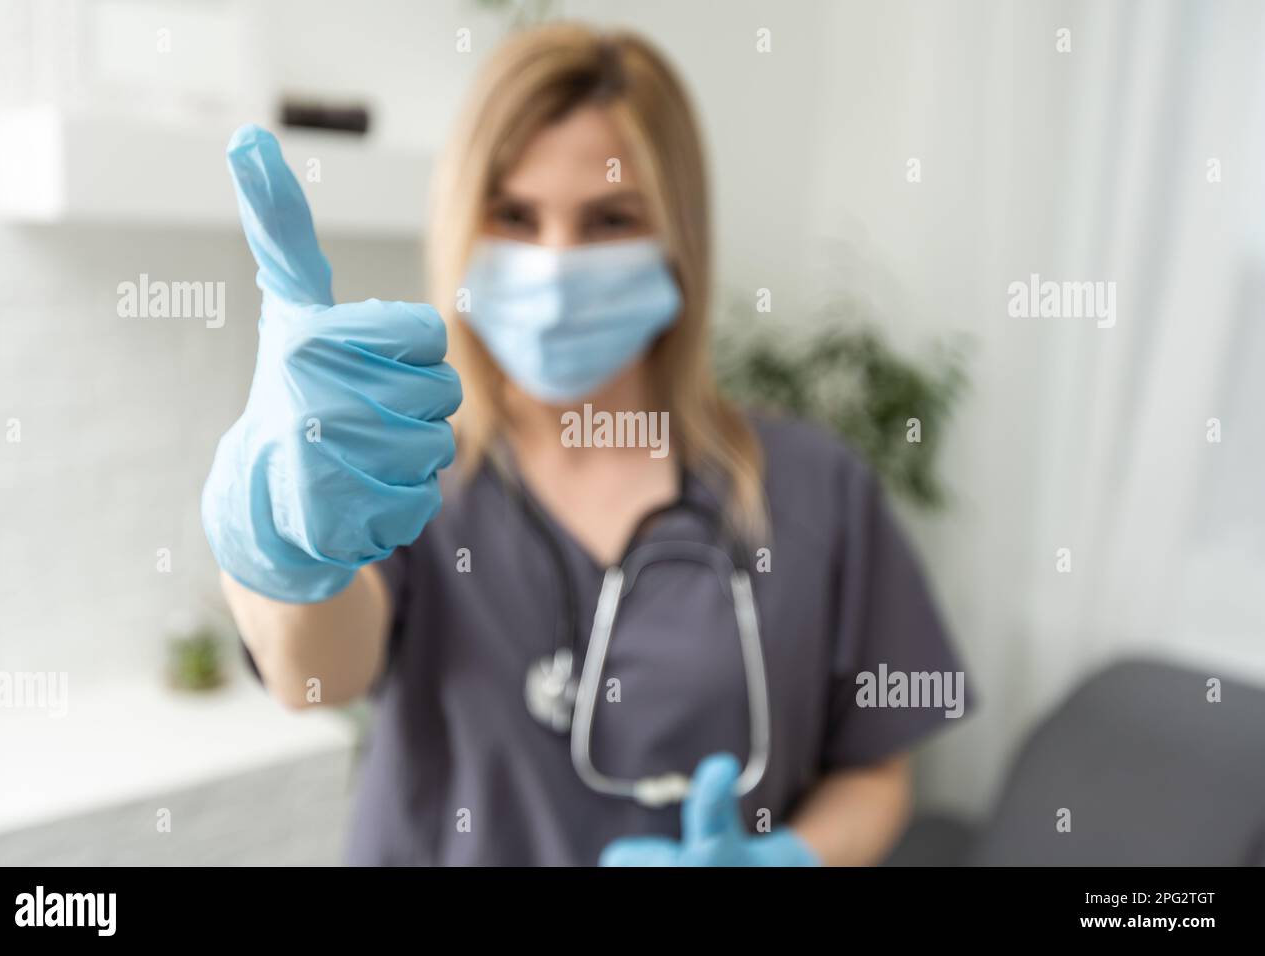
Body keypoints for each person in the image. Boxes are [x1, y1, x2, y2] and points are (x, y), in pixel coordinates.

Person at [201, 23, 970, 866]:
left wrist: (787, 862)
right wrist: (285, 550)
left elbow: (876, 772)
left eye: (610, 219)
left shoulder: (816, 486)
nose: (556, 263)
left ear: (680, 240)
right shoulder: (407, 471)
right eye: (515, 215)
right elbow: (315, 678)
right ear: (463, 226)